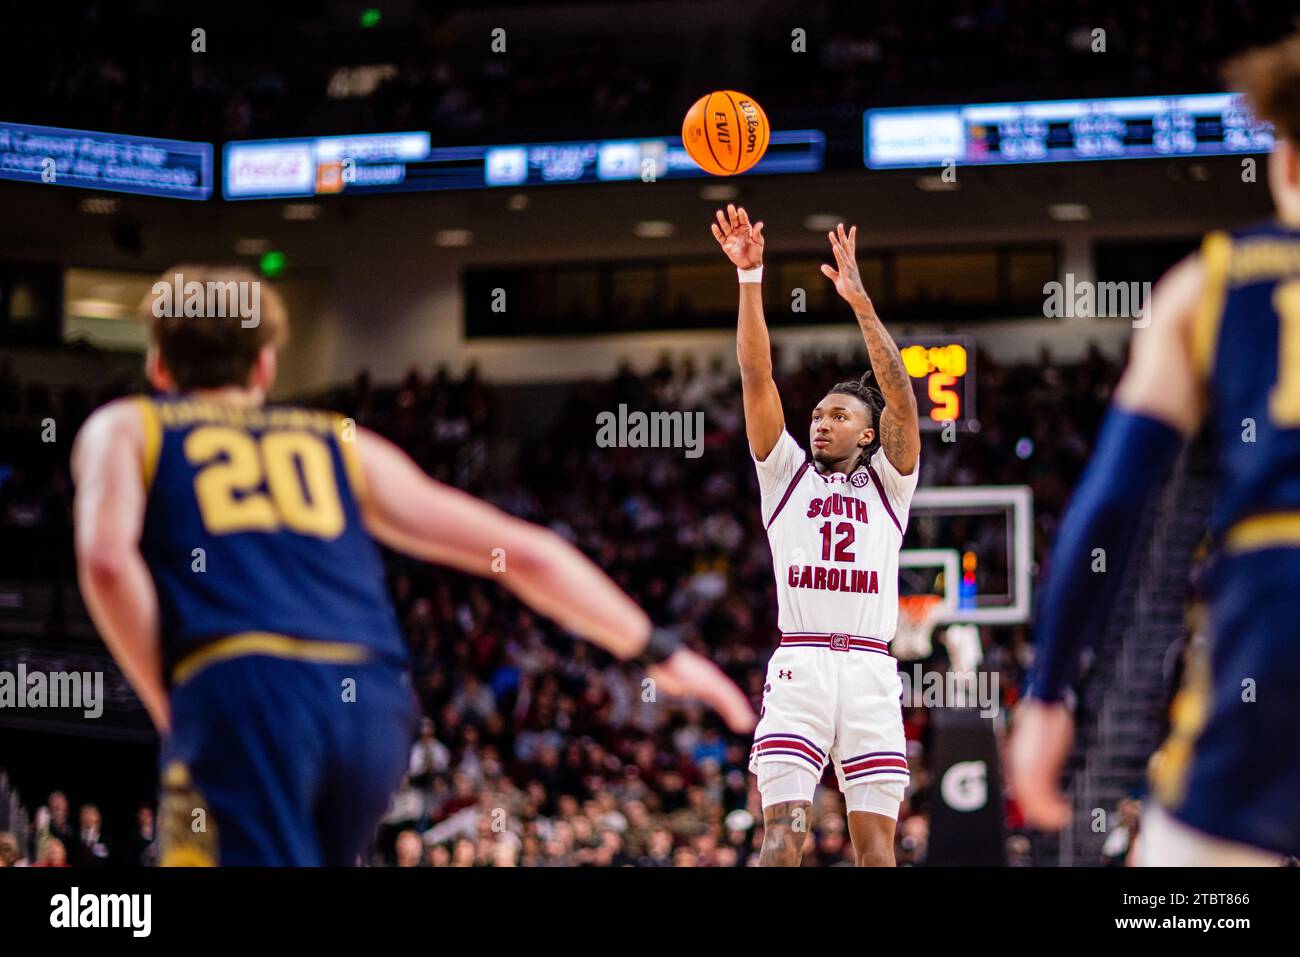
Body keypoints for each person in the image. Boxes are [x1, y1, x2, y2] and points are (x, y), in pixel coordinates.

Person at [73, 264, 755, 866]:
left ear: (159, 364)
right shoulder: (339, 443)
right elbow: (524, 551)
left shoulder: (129, 425)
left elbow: (106, 560)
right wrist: (659, 648)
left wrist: (173, 697)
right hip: (370, 702)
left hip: (243, 686)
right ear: (265, 365)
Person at [1009, 34, 1300, 865]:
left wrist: (1049, 692)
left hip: (1276, 602)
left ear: (1285, 159)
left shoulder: (1208, 284)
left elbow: (1112, 501)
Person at [712, 206, 921, 866]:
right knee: (783, 837)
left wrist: (860, 302)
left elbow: (902, 397)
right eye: (817, 413)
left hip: (868, 668)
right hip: (800, 667)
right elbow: (755, 373)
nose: (820, 422)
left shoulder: (890, 484)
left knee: (875, 850)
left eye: (838, 414)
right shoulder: (784, 475)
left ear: (868, 433)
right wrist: (751, 278)